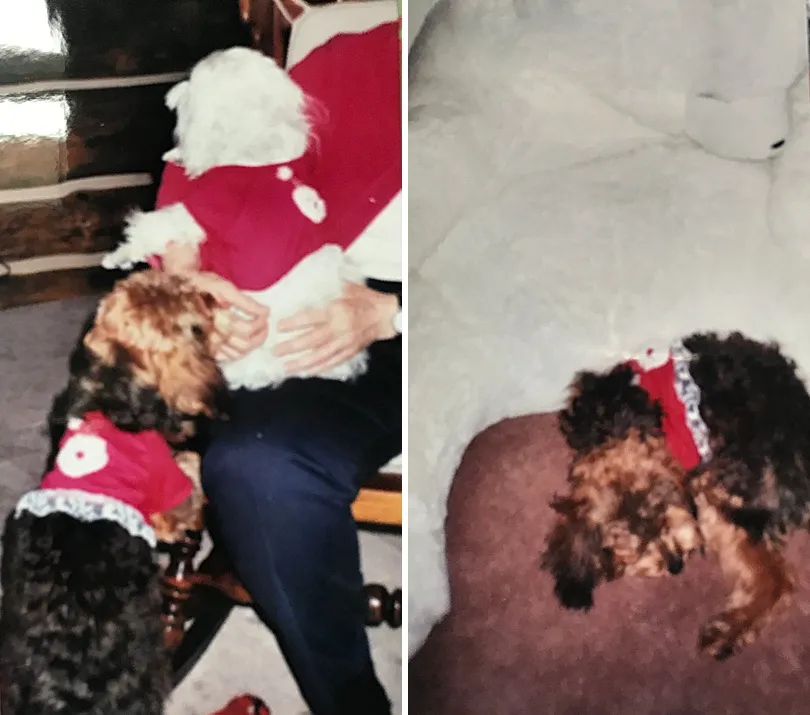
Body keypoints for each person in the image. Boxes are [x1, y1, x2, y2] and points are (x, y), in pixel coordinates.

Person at [157, 19, 402, 715]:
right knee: (257, 462)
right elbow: (203, 151)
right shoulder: (351, 56)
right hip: (316, 291)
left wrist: (392, 314)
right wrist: (192, 276)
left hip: (441, 309)